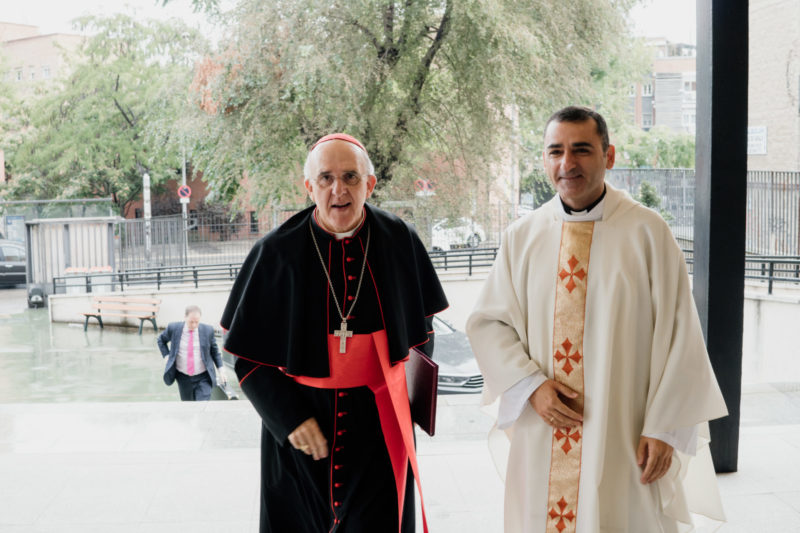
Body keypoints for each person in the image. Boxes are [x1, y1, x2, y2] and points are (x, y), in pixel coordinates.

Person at [466, 106, 729, 533]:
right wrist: (530, 386)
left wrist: (664, 426)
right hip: (546, 428)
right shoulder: (523, 236)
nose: (567, 164)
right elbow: (488, 324)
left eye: (581, 150)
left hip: (623, 432)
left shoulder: (648, 233)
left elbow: (681, 335)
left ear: (608, 155)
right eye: (556, 151)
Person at [220, 133, 448, 533]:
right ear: (309, 186)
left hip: (377, 431)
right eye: (325, 178)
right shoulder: (275, 253)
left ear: (370, 184)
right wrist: (289, 419)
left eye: (350, 177)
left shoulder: (400, 241)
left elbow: (421, 334)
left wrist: (405, 398)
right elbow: (247, 357)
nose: (337, 190)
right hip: (300, 433)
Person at [157, 304, 226, 401]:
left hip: (203, 377)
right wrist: (167, 356)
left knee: (202, 405)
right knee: (189, 407)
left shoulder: (208, 330)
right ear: (185, 317)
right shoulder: (173, 328)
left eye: (196, 322)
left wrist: (221, 370)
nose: (194, 325)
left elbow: (215, 352)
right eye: (191, 322)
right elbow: (161, 340)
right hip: (183, 377)